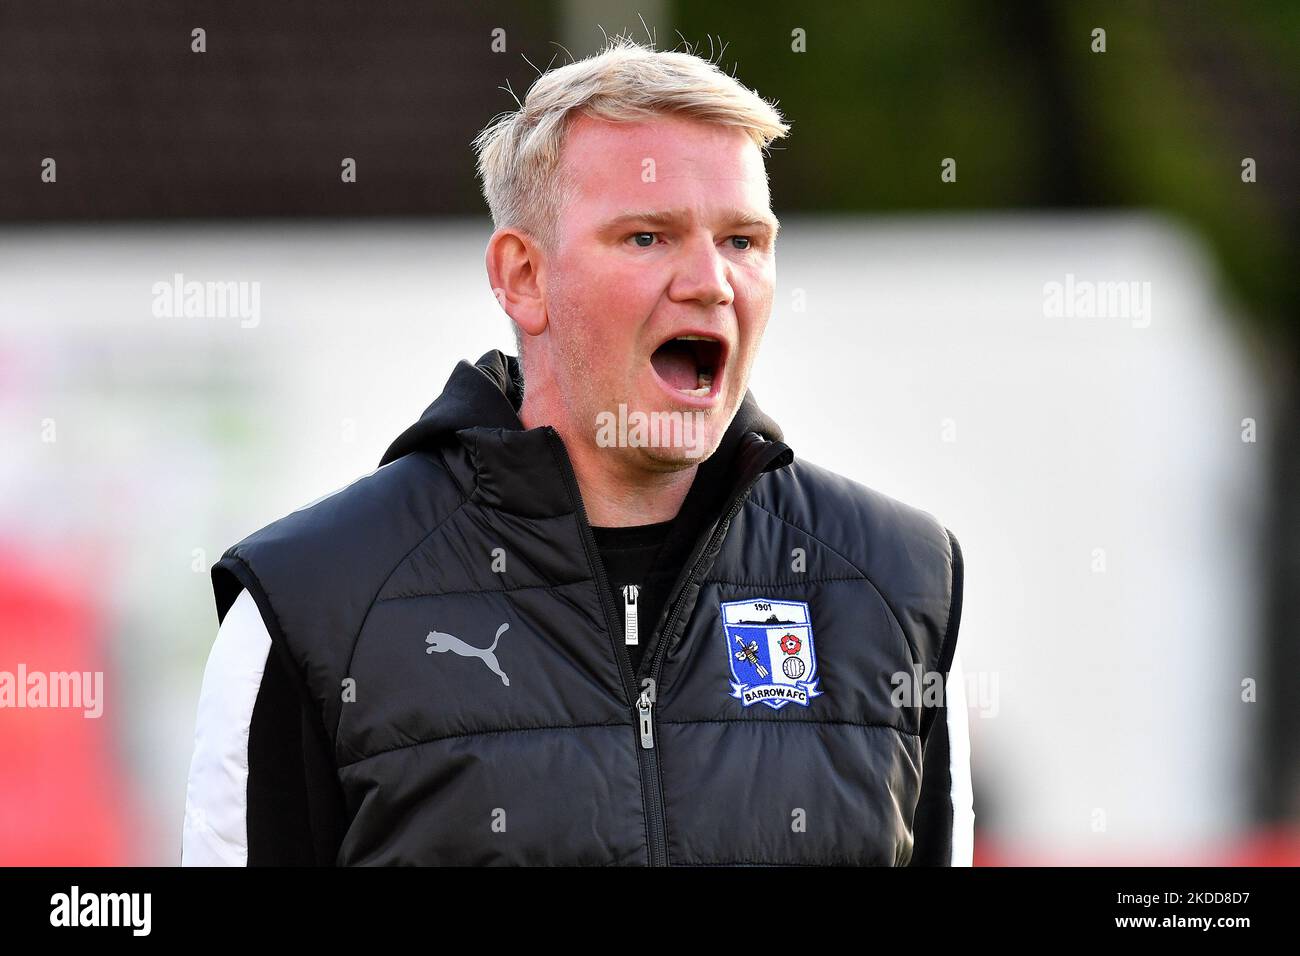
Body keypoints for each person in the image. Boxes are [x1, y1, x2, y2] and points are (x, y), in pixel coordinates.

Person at [181, 35, 972, 867]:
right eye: (648, 237)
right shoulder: (311, 602)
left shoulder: (895, 584)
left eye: (743, 241)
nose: (711, 281)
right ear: (523, 277)